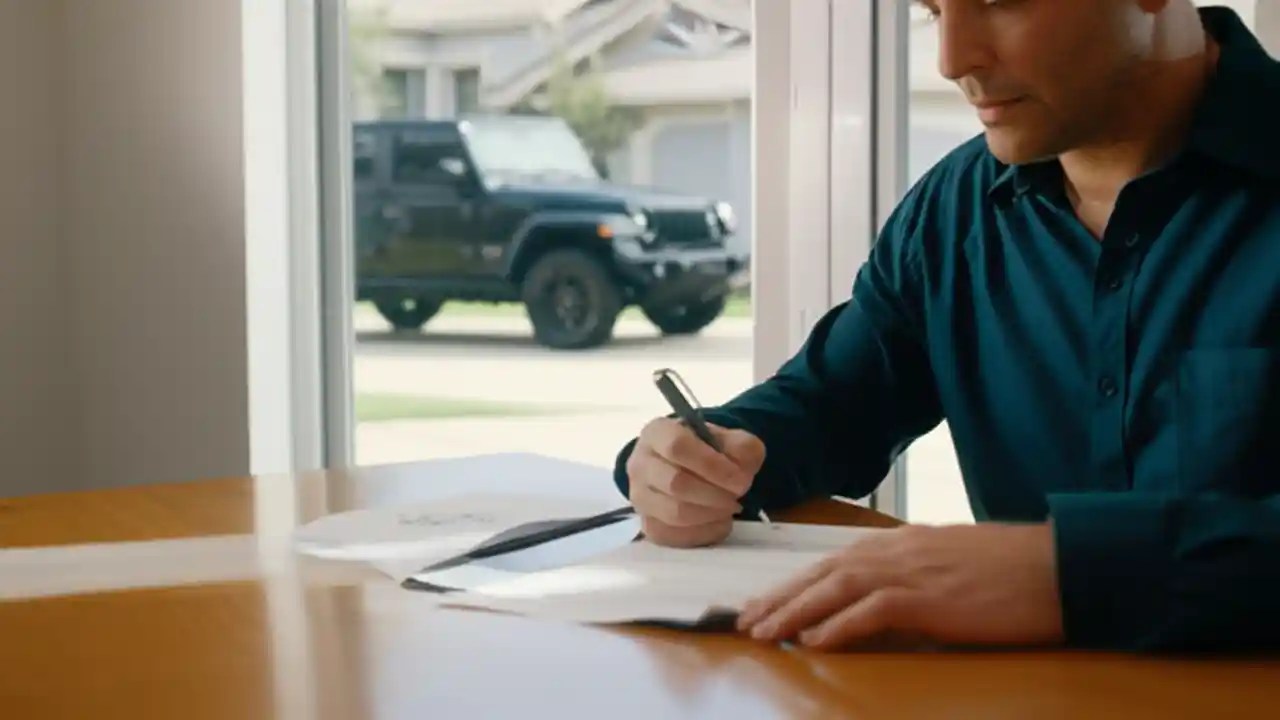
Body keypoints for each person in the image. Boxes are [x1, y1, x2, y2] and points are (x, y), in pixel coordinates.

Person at [612, 0, 1280, 652]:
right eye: (934, 11)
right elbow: (832, 404)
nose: (952, 59)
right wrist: (695, 459)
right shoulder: (953, 209)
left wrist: (1067, 572)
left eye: (1000, 3)